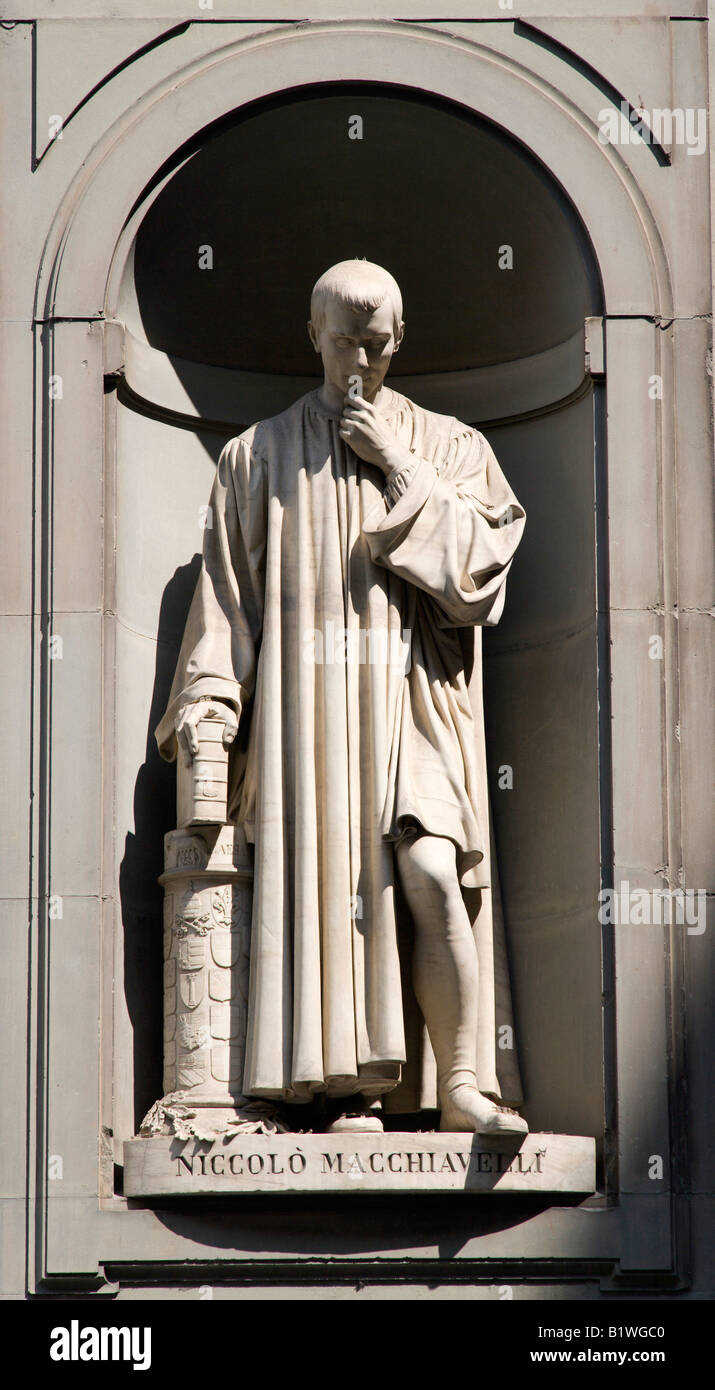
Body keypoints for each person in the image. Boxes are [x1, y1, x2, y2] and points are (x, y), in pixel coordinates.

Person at [156, 260, 528, 1135]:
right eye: (341, 344)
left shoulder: (451, 447)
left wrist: (394, 462)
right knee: (328, 893)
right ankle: (341, 1089)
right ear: (311, 338)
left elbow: (479, 580)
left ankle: (466, 1083)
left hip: (418, 702)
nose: (358, 363)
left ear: (397, 341)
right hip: (307, 719)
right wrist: (211, 709)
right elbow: (226, 609)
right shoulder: (257, 457)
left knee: (433, 870)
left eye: (374, 345)